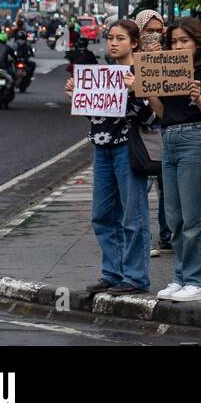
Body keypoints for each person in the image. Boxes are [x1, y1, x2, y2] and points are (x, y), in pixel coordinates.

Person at [64, 19, 154, 294]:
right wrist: (77, 96)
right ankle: (112, 273)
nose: (113, 43)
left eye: (120, 38)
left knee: (133, 215)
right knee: (102, 215)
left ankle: (136, 277)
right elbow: (97, 115)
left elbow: (151, 117)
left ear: (134, 43)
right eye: (110, 38)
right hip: (102, 148)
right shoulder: (103, 73)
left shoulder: (141, 74)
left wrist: (134, 91)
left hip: (129, 148)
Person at [147, 17, 201, 303]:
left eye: (184, 40)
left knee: (194, 217)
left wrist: (199, 98)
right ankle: (181, 277)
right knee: (175, 217)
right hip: (169, 139)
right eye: (173, 42)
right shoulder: (168, 71)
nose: (178, 46)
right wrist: (149, 89)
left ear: (197, 43)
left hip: (195, 141)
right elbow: (163, 113)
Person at [134, 9, 173, 256]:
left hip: (166, 124)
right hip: (142, 129)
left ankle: (168, 236)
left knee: (167, 185)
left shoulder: (169, 54)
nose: (154, 35)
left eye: (159, 31)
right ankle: (142, 238)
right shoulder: (131, 56)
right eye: (149, 31)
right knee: (142, 185)